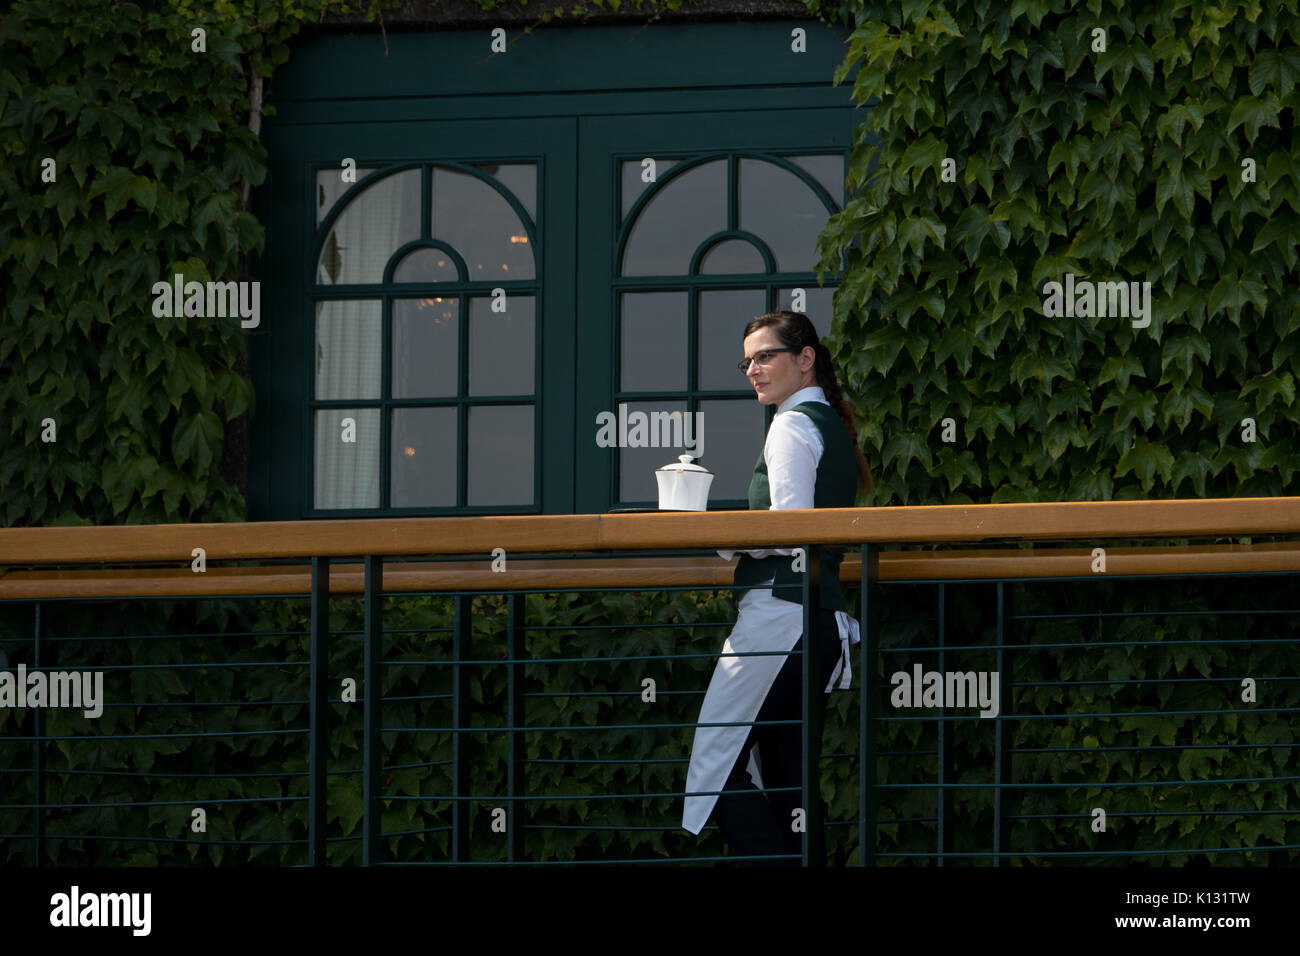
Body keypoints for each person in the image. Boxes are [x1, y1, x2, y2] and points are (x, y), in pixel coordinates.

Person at [682, 309, 874, 865]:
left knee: (712, 771)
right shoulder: (828, 424)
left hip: (782, 617)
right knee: (792, 786)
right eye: (748, 360)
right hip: (817, 621)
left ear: (805, 358)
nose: (753, 370)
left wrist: (721, 537)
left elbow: (789, 528)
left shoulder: (791, 424)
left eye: (766, 355)